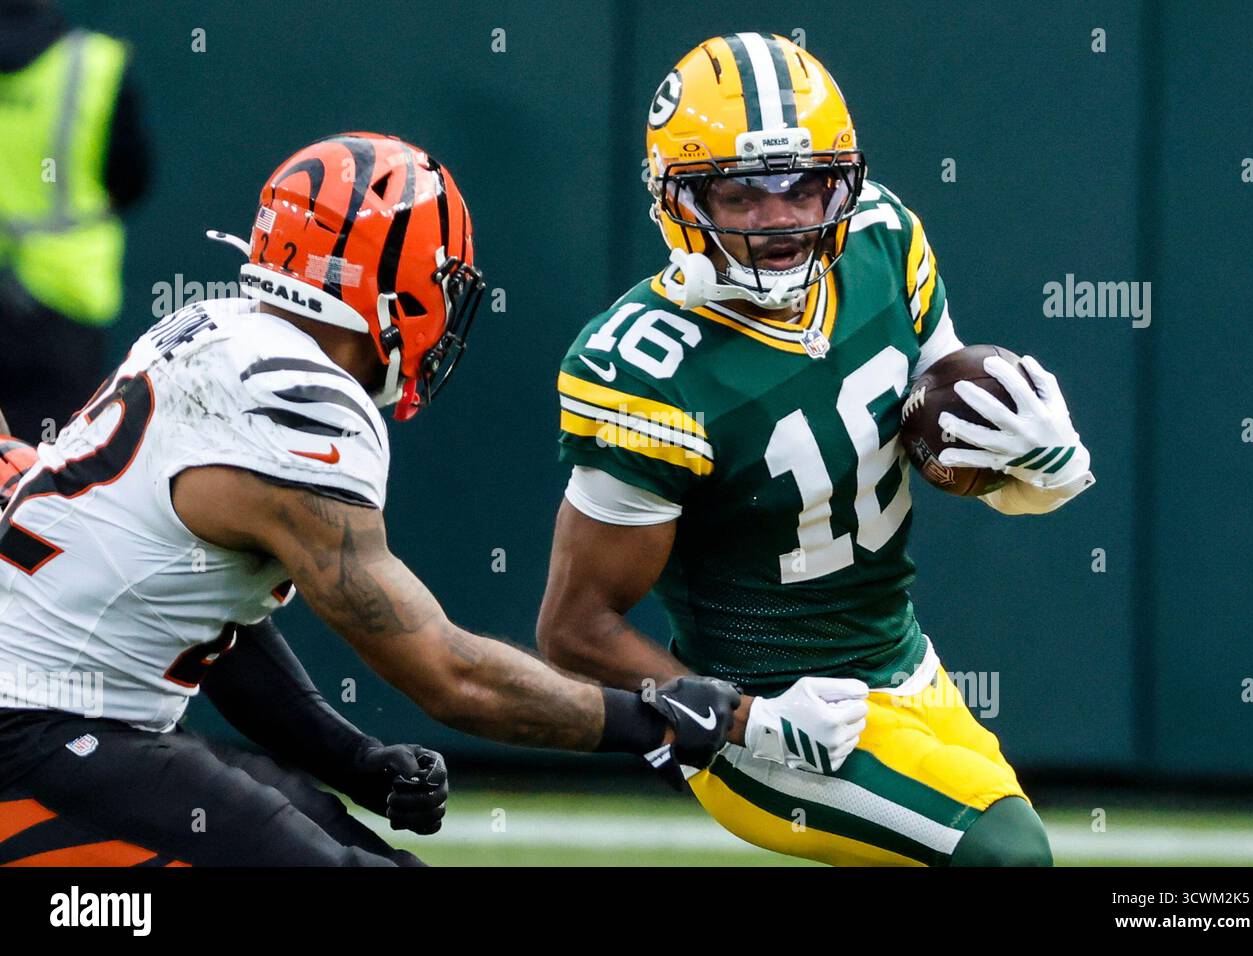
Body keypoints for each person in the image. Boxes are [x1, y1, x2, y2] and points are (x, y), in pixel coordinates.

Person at [0, 132, 740, 866]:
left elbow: (198, 615)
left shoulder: (212, 332)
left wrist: (350, 757)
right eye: (443, 284)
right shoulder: (300, 405)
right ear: (394, 289)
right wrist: (653, 720)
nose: (449, 312)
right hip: (38, 735)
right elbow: (454, 677)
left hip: (77, 723)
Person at [536, 34, 1095, 866]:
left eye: (806, 185)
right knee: (1008, 856)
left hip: (906, 666)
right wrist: (748, 721)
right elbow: (573, 628)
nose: (782, 219)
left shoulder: (882, 238)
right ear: (677, 199)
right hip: (768, 722)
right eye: (740, 193)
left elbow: (942, 437)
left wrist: (1041, 472)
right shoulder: (646, 371)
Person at [0, 0, 152, 444]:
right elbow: (132, 179)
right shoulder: (95, 65)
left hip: (57, 310)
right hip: (63, 304)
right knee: (46, 474)